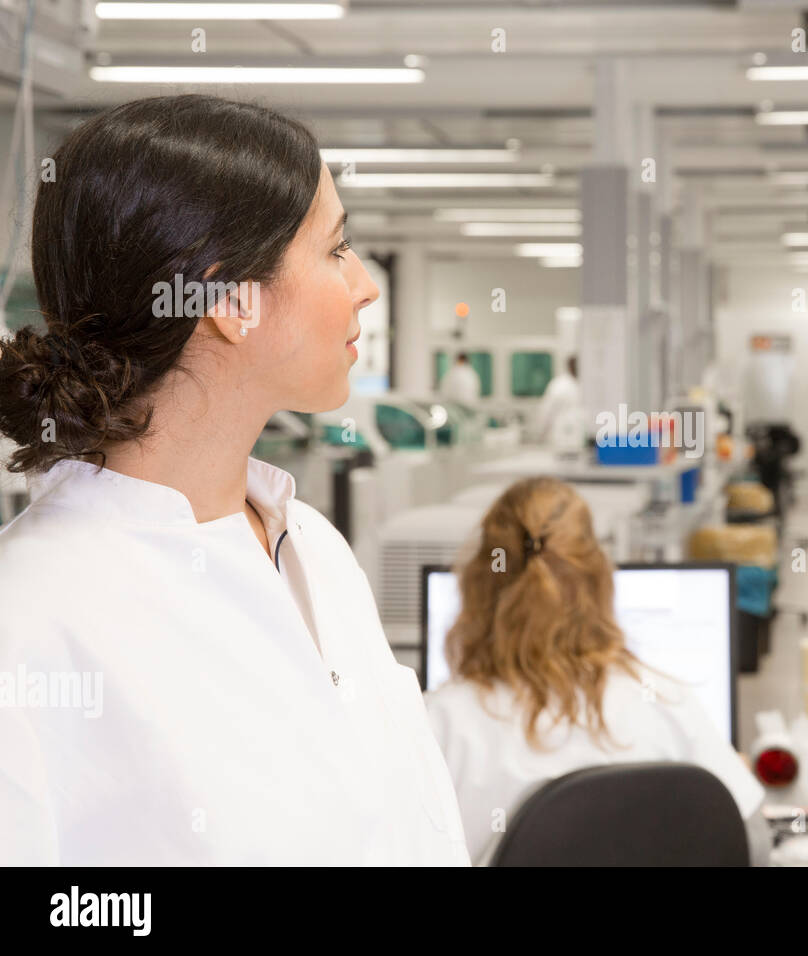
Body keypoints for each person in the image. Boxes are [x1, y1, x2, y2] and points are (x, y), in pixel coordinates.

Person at [0, 94, 469, 865]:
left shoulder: (313, 547)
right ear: (229, 299)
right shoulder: (35, 618)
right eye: (335, 249)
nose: (365, 284)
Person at [425, 477, 769, 865]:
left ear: (477, 582)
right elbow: (752, 843)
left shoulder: (437, 727)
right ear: (601, 578)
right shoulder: (667, 702)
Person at [531, 354, 582, 447]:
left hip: (579, 439)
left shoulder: (583, 384)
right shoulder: (558, 385)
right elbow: (546, 413)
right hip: (559, 438)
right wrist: (540, 435)